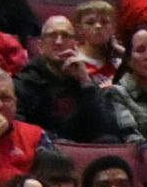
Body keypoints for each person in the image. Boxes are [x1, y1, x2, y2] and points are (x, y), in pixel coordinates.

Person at [14, 16, 112, 144]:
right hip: (42, 148)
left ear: (75, 44)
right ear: (40, 45)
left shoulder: (84, 81)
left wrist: (85, 81)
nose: (59, 42)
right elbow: (19, 128)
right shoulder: (22, 83)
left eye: (65, 36)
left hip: (81, 149)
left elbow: (102, 128)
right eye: (52, 36)